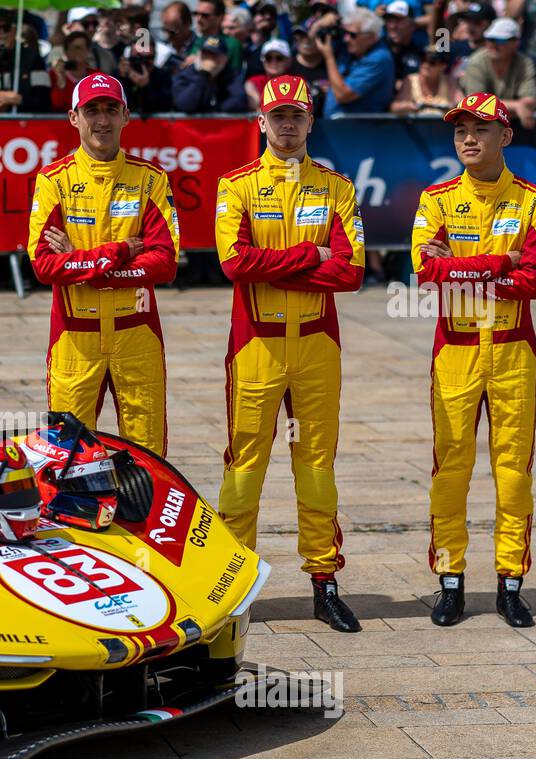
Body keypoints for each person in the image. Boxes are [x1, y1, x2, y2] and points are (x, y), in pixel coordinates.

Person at [214, 75, 366, 632]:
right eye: (276, 116)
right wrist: (310, 253)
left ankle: (324, 584)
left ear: (310, 122)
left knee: (317, 467)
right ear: (261, 122)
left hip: (317, 345)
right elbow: (234, 264)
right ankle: (228, 591)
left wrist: (275, 261)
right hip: (255, 343)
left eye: (296, 116)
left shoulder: (335, 188)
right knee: (245, 468)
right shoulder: (235, 186)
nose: (286, 125)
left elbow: (350, 272)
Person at [411, 92, 536, 628]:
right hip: (455, 350)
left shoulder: (535, 201)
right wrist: (502, 261)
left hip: (515, 349)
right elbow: (428, 272)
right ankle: (450, 582)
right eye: (460, 131)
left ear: (506, 136)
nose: (468, 138)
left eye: (481, 129)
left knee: (513, 472)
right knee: (451, 469)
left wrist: (465, 267)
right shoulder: (437, 198)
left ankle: (510, 583)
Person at [27, 72, 179, 456]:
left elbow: (165, 262)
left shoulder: (151, 179)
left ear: (126, 116)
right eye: (91, 109)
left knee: (147, 456)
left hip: (138, 335)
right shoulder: (53, 180)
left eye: (111, 109)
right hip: (74, 340)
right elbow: (45, 267)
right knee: (67, 456)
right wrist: (121, 251)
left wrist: (87, 268)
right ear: (73, 117)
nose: (102, 120)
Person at [0, 8, 52, 114]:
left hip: (26, 125)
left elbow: (45, 101)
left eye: (6, 27)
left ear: (14, 30)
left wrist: (19, 99)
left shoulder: (32, 58)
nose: (1, 33)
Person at [459, 16, 536, 127]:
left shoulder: (525, 63)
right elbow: (475, 103)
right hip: (479, 127)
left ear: (516, 43)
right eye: (490, 39)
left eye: (501, 40)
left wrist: (493, 108)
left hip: (513, 129)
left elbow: (529, 102)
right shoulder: (476, 61)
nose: (493, 45)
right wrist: (516, 106)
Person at [317, 7, 395, 116]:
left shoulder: (379, 59)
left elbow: (342, 95)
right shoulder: (352, 49)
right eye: (345, 33)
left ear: (372, 37)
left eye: (353, 35)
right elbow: (308, 45)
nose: (346, 39)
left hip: (360, 130)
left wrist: (329, 57)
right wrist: (319, 25)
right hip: (337, 128)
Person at [172, 33, 247, 110]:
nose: (209, 60)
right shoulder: (186, 74)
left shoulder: (231, 75)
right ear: (198, 55)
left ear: (224, 59)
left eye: (214, 55)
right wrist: (203, 75)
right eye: (205, 55)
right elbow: (185, 104)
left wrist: (214, 111)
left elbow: (239, 100)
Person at [391, 47, 459, 111]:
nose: (425, 65)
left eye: (432, 62)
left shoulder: (449, 81)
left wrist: (452, 108)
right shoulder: (410, 80)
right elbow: (394, 107)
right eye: (423, 60)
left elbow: (462, 104)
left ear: (443, 66)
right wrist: (408, 106)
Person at [194, 0, 243, 72]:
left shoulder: (232, 45)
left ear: (220, 18)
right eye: (196, 14)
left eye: (205, 15)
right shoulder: (196, 41)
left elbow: (234, 78)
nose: (199, 19)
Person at [384, 0, 424, 81]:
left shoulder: (421, 55)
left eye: (399, 21)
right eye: (389, 21)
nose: (393, 26)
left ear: (412, 26)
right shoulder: (375, 50)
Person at [246, 36, 289, 109]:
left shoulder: (299, 82)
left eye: (279, 58)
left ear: (288, 60)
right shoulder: (253, 83)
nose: (274, 62)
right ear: (262, 61)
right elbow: (256, 108)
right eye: (268, 58)